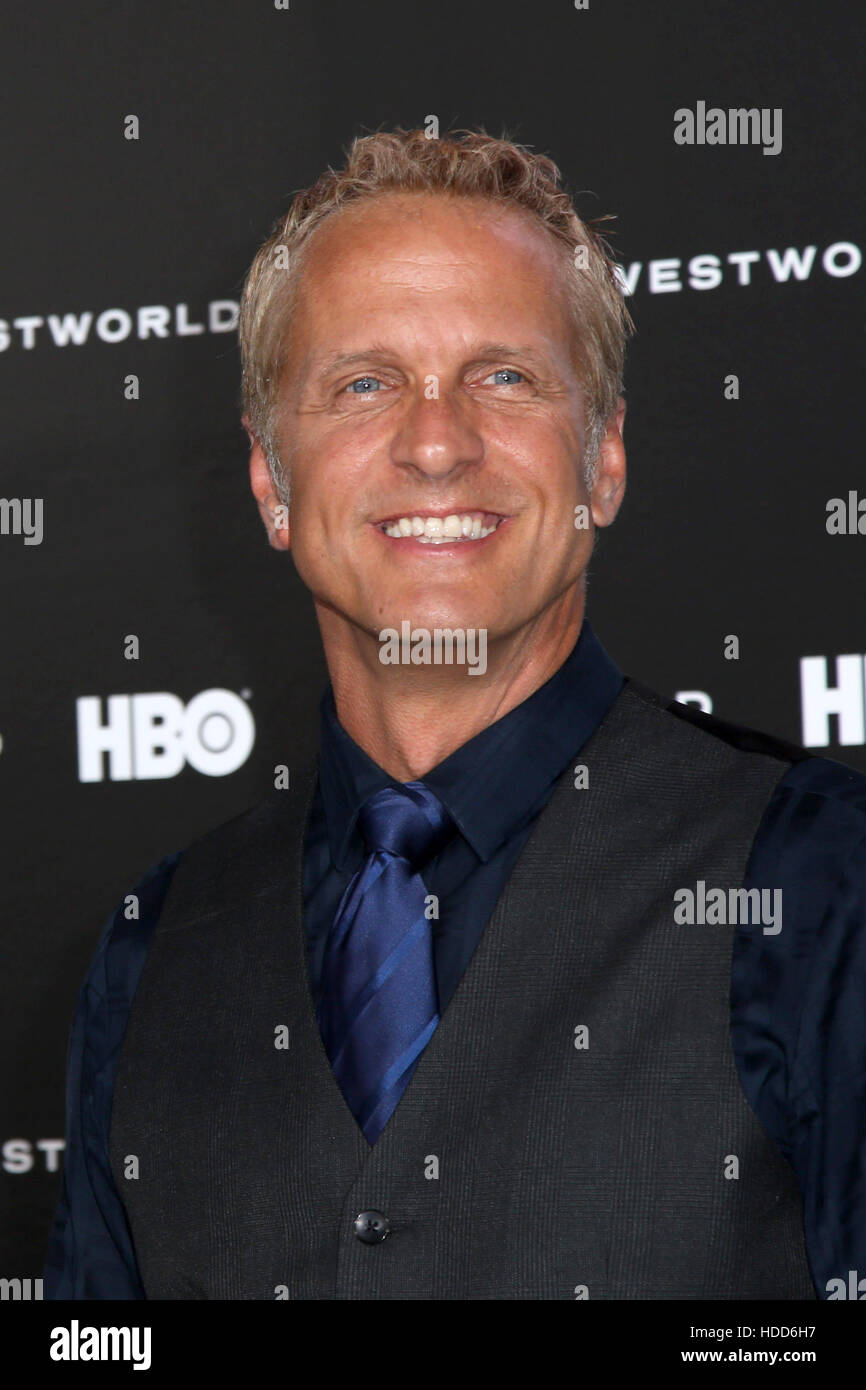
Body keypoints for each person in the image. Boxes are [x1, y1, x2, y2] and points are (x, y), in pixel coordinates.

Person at [45, 128, 866, 1301]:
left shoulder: (823, 878)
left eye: (504, 376)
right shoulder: (153, 949)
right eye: (365, 383)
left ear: (605, 461)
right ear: (273, 483)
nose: (437, 442)